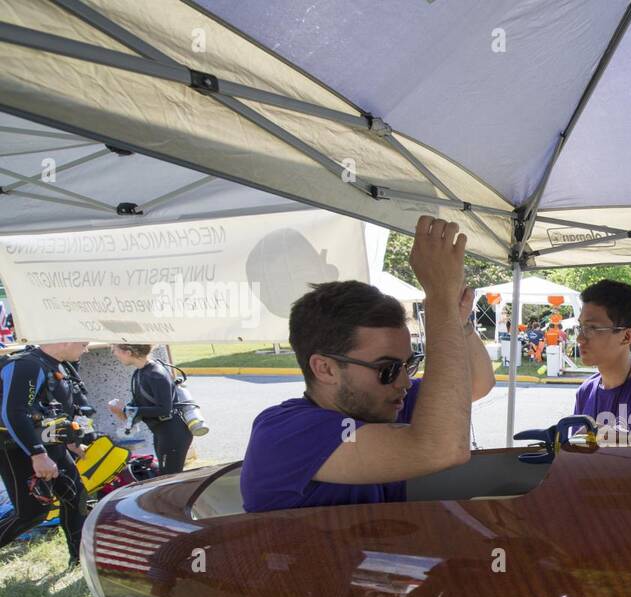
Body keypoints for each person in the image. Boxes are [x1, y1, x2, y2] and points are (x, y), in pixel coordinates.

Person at [240, 216, 494, 512]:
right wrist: (438, 300)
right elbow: (443, 448)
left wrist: (458, 321)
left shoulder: (380, 404)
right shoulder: (284, 435)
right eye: (387, 369)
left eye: (407, 365)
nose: (404, 382)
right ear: (325, 369)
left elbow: (476, 383)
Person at [0, 341, 91, 565]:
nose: (87, 349)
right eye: (83, 343)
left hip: (53, 447)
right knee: (32, 514)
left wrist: (72, 442)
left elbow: (59, 407)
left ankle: (80, 560)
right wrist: (37, 454)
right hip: (18, 449)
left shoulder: (61, 365)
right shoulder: (26, 365)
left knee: (76, 498)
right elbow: (14, 413)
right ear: (65, 340)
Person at [106, 344, 192, 474]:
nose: (113, 353)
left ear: (128, 352)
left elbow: (164, 409)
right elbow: (140, 403)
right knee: (166, 476)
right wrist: (122, 410)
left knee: (169, 478)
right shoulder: (140, 372)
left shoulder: (155, 374)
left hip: (173, 433)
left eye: (115, 350)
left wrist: (126, 410)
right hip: (161, 432)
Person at [573, 280, 631, 428]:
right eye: (581, 327)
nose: (579, 338)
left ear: (626, 337)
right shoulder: (585, 391)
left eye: (592, 328)